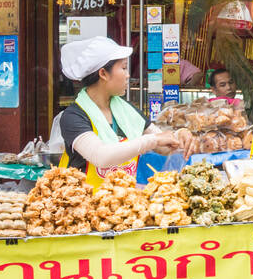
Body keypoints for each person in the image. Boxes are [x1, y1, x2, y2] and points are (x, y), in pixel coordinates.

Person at [58, 36, 190, 187]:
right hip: (85, 205)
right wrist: (153, 140)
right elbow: (100, 156)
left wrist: (180, 137)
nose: (128, 75)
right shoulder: (74, 116)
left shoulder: (126, 110)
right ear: (103, 74)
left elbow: (162, 146)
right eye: (123, 68)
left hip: (123, 203)